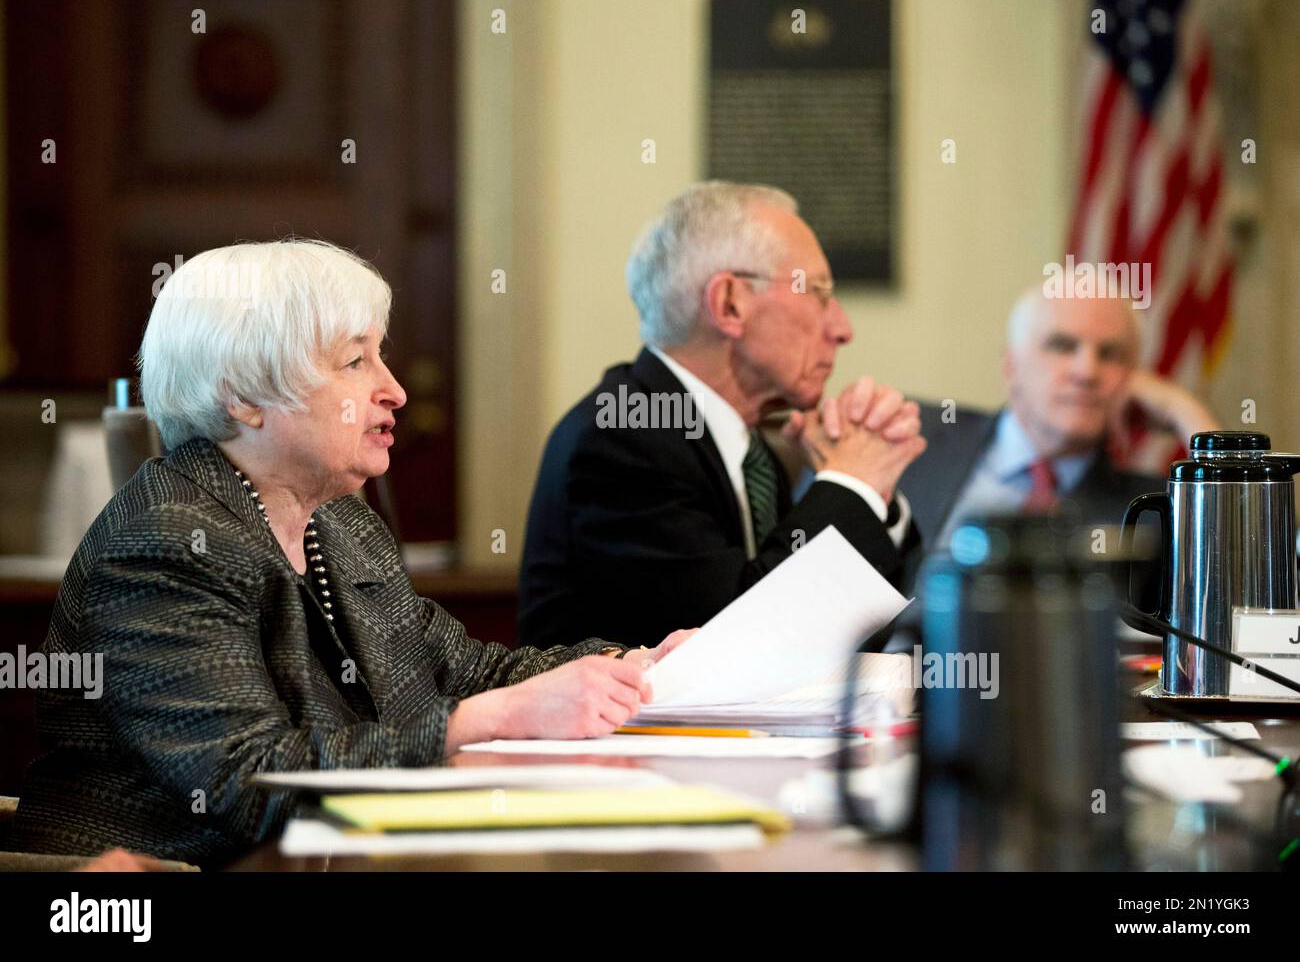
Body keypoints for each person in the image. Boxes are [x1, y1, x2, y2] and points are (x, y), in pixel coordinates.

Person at [10, 240, 693, 868]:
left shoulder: (340, 523)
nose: (393, 389)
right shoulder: (164, 542)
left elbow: (464, 670)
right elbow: (250, 783)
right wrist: (496, 718)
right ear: (245, 397)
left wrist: (628, 667)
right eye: (355, 360)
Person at [519, 182, 927, 649]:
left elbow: (843, 629)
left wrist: (875, 495)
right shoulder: (623, 434)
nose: (842, 328)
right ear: (730, 303)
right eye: (818, 292)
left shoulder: (748, 448)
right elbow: (732, 644)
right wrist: (850, 484)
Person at [899, 287, 1216, 550]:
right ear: (1011, 366)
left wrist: (1183, 410)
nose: (1086, 372)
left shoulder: (1154, 509)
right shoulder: (909, 435)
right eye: (1062, 346)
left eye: (1110, 354)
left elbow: (1240, 567)